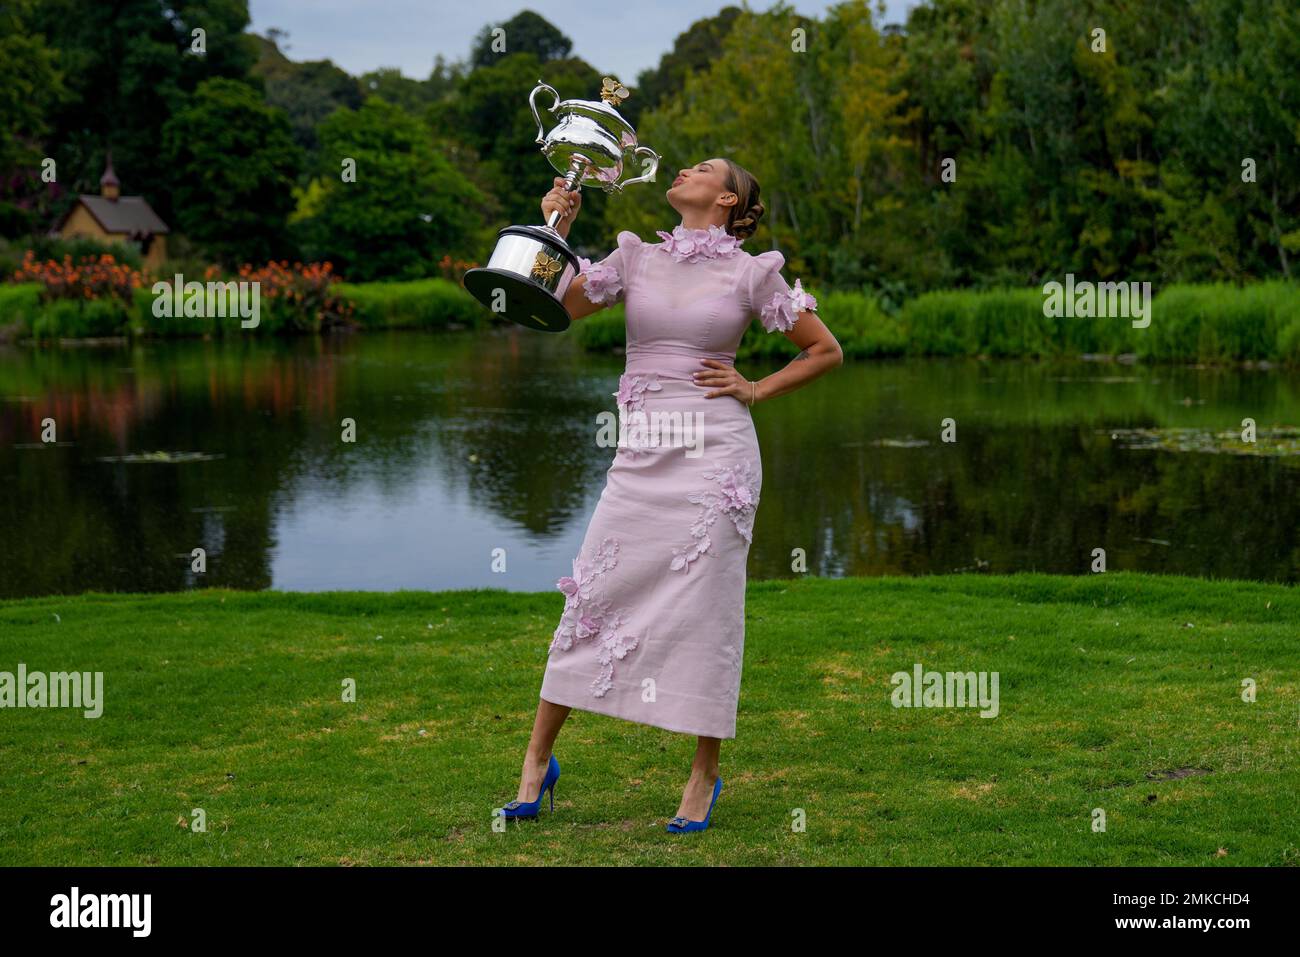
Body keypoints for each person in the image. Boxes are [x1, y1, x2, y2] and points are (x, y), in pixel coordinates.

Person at [500, 157, 843, 833]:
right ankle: (537, 762)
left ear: (725, 198)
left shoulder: (752, 274)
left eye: (705, 168)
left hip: (716, 460)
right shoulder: (635, 259)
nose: (685, 166)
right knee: (592, 595)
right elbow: (560, 309)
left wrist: (753, 388)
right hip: (641, 457)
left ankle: (703, 774)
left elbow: (823, 349)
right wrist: (560, 232)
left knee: (705, 610)